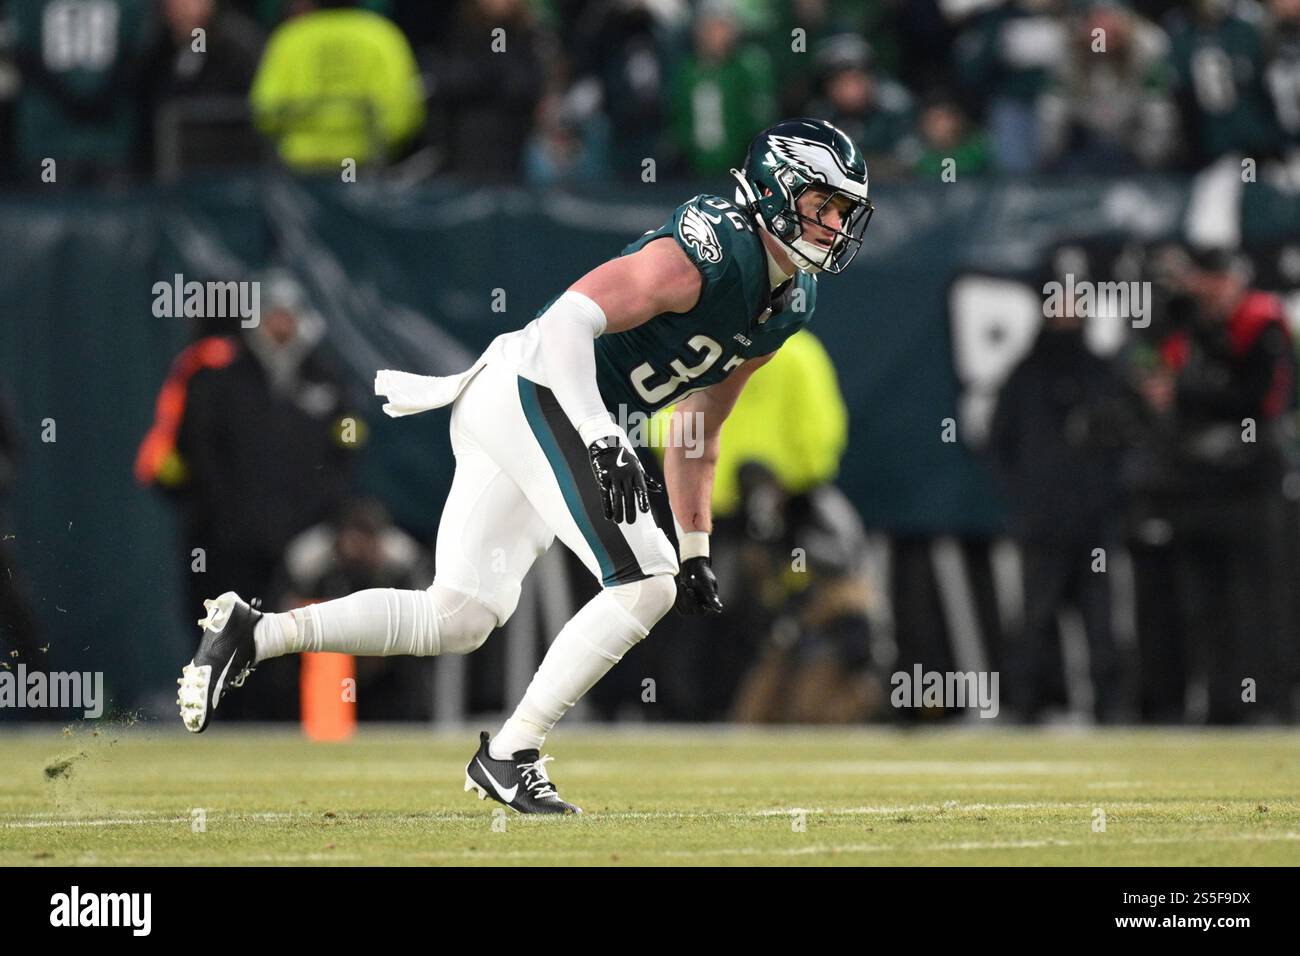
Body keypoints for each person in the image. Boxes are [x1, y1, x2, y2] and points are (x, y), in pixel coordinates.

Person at [176, 117, 875, 814]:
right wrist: (602, 435)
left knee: (459, 616)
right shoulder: (713, 248)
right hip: (538, 387)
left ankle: (254, 631)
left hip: (525, 400)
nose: (836, 225)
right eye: (825, 205)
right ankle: (511, 754)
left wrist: (696, 546)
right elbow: (572, 318)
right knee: (644, 582)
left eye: (844, 211)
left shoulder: (791, 302)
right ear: (777, 190)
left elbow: (698, 419)